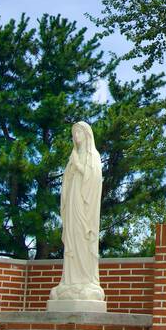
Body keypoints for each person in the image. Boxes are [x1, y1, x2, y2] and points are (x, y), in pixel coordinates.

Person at [49, 121, 104, 304]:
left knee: (82, 237)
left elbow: (95, 179)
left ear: (86, 134)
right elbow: (66, 182)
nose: (75, 136)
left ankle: (86, 280)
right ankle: (70, 280)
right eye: (73, 133)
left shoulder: (93, 156)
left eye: (78, 132)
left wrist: (78, 166)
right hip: (72, 202)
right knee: (72, 236)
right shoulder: (73, 155)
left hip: (85, 205)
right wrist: (71, 169)